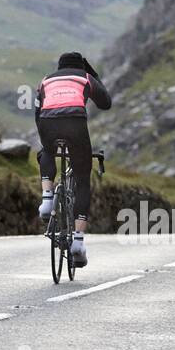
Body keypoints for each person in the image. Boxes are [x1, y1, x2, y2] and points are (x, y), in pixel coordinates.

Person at [34, 52, 112, 268]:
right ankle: (78, 242)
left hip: (47, 122)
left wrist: (45, 138)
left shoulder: (46, 80)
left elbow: (37, 111)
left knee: (47, 151)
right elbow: (106, 103)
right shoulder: (85, 77)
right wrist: (93, 75)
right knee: (82, 179)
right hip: (75, 122)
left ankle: (47, 199)